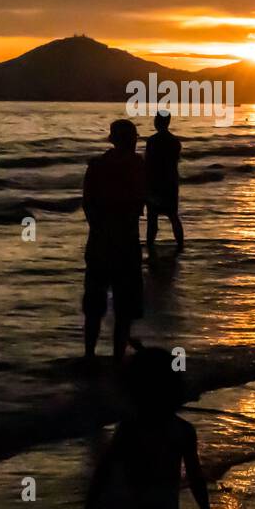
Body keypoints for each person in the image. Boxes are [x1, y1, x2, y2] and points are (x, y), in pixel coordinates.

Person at [83, 348, 215, 509]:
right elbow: (195, 477)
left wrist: (90, 507)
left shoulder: (130, 429)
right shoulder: (182, 431)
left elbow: (104, 469)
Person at [82, 119, 147, 362]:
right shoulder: (137, 166)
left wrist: (99, 228)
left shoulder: (96, 166)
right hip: (126, 244)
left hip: (99, 243)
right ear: (132, 141)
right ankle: (117, 359)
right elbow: (139, 201)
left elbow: (88, 206)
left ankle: (89, 355)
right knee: (124, 308)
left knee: (94, 307)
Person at [144, 112, 184, 250]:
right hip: (171, 181)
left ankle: (150, 245)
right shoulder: (174, 141)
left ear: (157, 122)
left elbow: (148, 162)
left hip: (155, 182)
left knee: (152, 218)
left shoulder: (152, 140)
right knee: (173, 215)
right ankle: (180, 245)